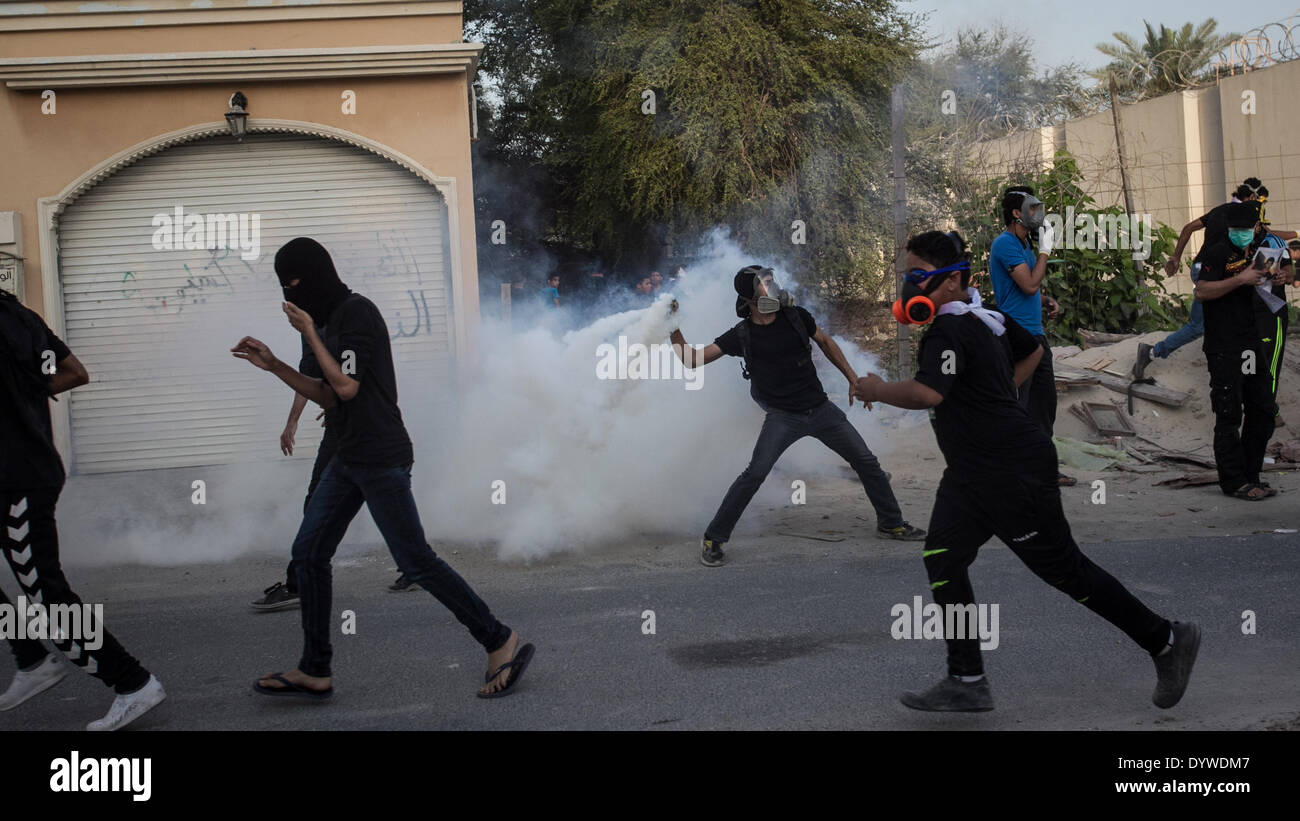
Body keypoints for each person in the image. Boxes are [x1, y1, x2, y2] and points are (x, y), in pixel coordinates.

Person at [853, 230, 1200, 712]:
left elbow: (927, 394)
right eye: (906, 278)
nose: (909, 289)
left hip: (1009, 467)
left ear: (953, 281)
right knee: (942, 557)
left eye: (917, 278)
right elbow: (1032, 349)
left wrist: (874, 387)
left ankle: (1166, 638)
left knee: (1064, 570)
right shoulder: (989, 318)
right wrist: (994, 397)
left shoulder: (950, 329)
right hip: (973, 471)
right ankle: (967, 679)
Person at [232, 237, 534, 699]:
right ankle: (315, 668)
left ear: (317, 276)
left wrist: (311, 332)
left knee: (415, 561)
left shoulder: (355, 313)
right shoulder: (325, 321)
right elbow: (326, 395)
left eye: (295, 283)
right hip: (346, 456)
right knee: (309, 554)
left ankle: (498, 639)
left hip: (381, 456)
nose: (290, 294)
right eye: (283, 287)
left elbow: (347, 386)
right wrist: (273, 364)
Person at [669, 265, 925, 568]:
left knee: (866, 462)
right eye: (765, 282)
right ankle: (714, 538)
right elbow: (691, 360)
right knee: (754, 474)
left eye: (772, 279)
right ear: (751, 297)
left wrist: (853, 380)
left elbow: (827, 343)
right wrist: (672, 326)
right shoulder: (742, 335)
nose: (774, 285)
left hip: (820, 409)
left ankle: (890, 523)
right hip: (782, 417)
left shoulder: (795, 316)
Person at [0, 290, 166, 729]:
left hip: (19, 479)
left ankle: (133, 683)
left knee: (47, 595)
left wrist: (17, 403)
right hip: (19, 470)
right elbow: (70, 372)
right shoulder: (19, 316)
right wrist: (24, 394)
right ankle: (31, 658)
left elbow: (74, 374)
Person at [251, 332, 415, 613]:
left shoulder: (345, 319)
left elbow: (358, 379)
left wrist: (339, 404)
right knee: (384, 498)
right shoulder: (312, 325)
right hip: (347, 424)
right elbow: (311, 377)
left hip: (359, 427)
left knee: (320, 501)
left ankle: (300, 584)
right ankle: (416, 565)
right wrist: (294, 421)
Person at [987, 186, 1071, 486]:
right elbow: (1029, 285)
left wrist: (1045, 299)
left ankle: (1042, 467)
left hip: (1035, 336)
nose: (1038, 213)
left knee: (1043, 405)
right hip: (1018, 338)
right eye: (1032, 208)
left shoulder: (1023, 245)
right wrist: (1046, 251)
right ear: (1015, 213)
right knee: (1019, 406)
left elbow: (1030, 288)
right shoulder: (1006, 244)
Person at [1194, 201, 1278, 500]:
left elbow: (1268, 284)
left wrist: (1274, 278)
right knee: (1229, 411)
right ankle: (1233, 480)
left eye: (1247, 229)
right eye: (1237, 230)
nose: (1243, 235)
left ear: (1256, 228)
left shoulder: (1259, 253)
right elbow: (1202, 291)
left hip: (1250, 343)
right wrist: (1238, 279)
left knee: (1263, 409)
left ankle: (1251, 473)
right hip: (1224, 345)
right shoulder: (1216, 252)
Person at [1138, 179, 1269, 369]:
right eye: (1261, 204)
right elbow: (1270, 234)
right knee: (1199, 325)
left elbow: (1189, 228)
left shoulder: (1220, 210)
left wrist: (1176, 258)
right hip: (1211, 272)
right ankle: (1152, 352)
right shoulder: (1245, 218)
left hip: (1203, 267)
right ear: (1251, 198)